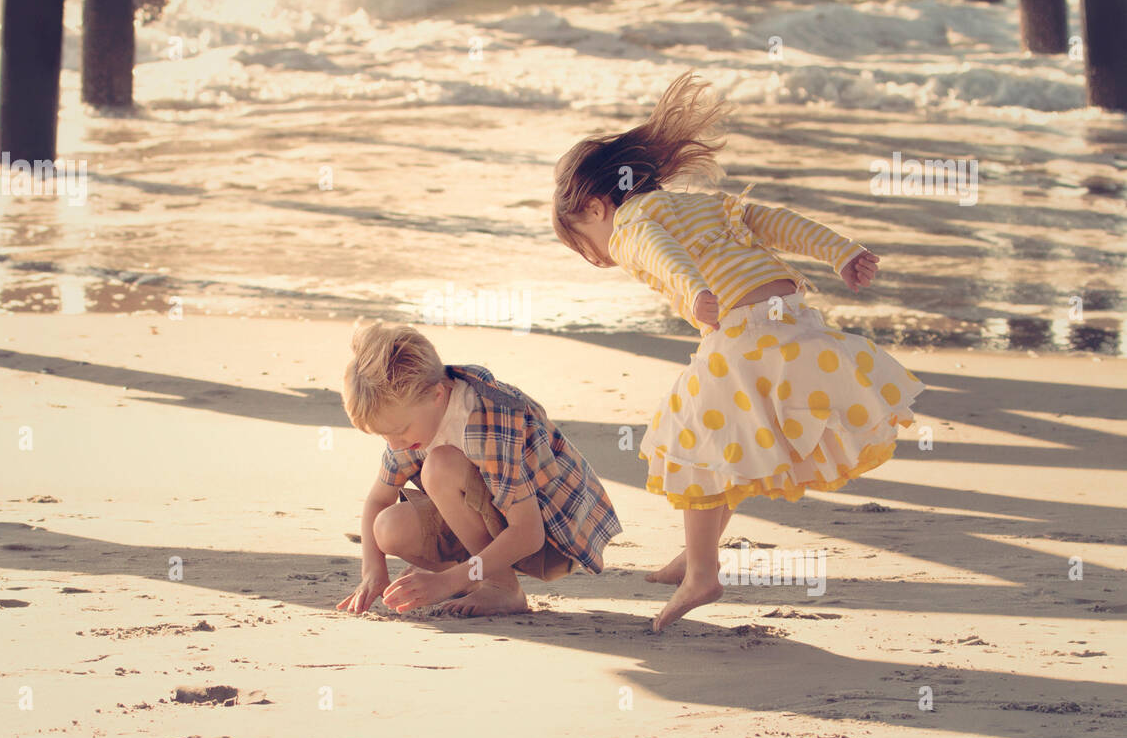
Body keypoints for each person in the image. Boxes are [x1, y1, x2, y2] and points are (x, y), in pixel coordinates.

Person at [551, 69, 925, 632]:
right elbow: (773, 221)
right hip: (796, 326)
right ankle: (692, 556)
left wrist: (692, 290)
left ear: (598, 207)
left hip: (745, 335)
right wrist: (840, 251)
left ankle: (702, 572)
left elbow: (655, 253)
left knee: (689, 444)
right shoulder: (704, 203)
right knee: (727, 443)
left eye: (588, 242)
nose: (602, 254)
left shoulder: (630, 224)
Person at [337, 322, 622, 617]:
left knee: (440, 467)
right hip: (492, 522)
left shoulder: (485, 420)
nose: (395, 445)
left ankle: (501, 586)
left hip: (550, 537)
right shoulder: (412, 423)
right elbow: (377, 500)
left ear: (437, 395)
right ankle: (474, 576)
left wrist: (446, 582)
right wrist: (373, 569)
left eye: (400, 431)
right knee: (388, 528)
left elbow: (528, 533)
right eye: (385, 436)